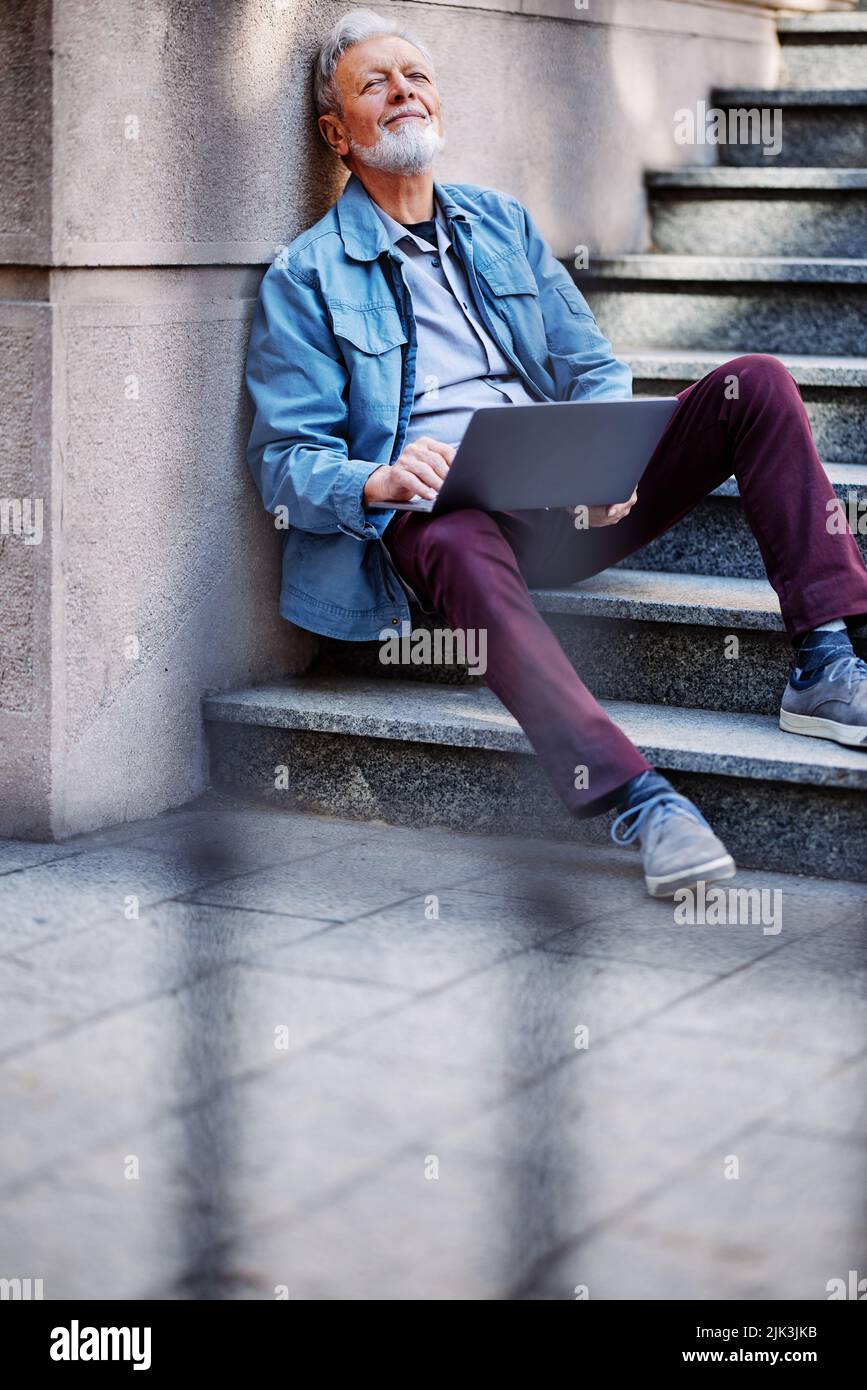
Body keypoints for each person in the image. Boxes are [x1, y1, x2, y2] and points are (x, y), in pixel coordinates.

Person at [244, 8, 867, 897]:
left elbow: (589, 366)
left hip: (571, 500)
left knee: (755, 381)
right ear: (336, 133)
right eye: (374, 84)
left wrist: (603, 455)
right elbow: (283, 463)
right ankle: (637, 799)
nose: (403, 92)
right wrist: (374, 478)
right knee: (446, 532)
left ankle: (826, 658)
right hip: (449, 531)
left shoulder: (500, 225)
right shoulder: (304, 277)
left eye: (415, 76)